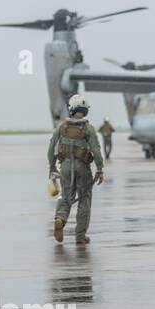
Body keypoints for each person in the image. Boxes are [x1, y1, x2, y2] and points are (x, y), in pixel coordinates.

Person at [47, 94, 105, 245]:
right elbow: (97, 151)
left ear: (71, 109)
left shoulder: (61, 127)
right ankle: (80, 236)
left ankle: (60, 219)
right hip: (83, 168)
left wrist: (52, 166)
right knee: (84, 200)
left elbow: (51, 148)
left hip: (65, 167)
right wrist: (99, 169)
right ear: (85, 110)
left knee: (66, 197)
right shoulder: (88, 128)